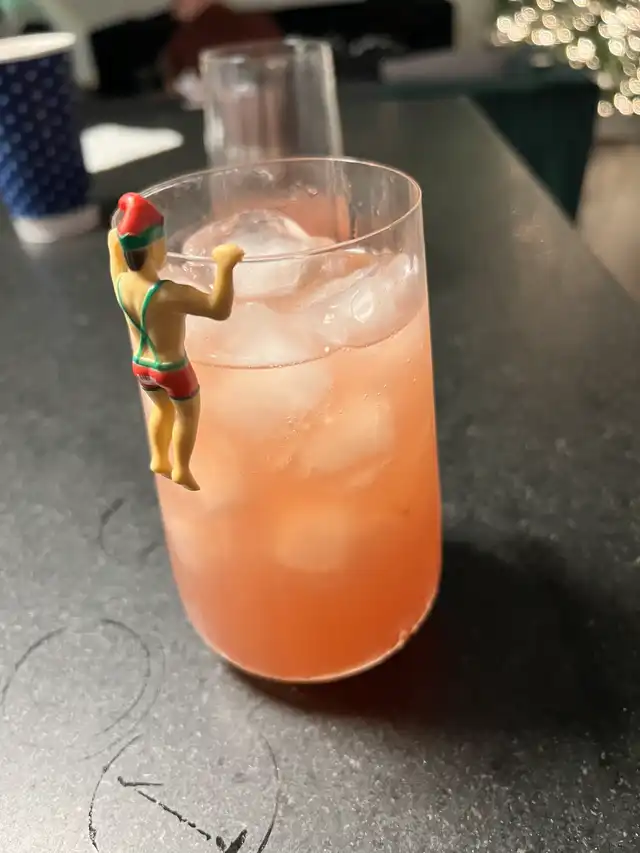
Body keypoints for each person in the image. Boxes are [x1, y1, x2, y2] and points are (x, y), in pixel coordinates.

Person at [108, 192, 243, 492]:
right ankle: (181, 467)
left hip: (141, 365)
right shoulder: (168, 294)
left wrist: (114, 242)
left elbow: (115, 258)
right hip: (172, 368)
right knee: (187, 416)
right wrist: (225, 266)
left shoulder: (122, 283)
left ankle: (159, 457)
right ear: (153, 248)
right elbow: (218, 308)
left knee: (161, 410)